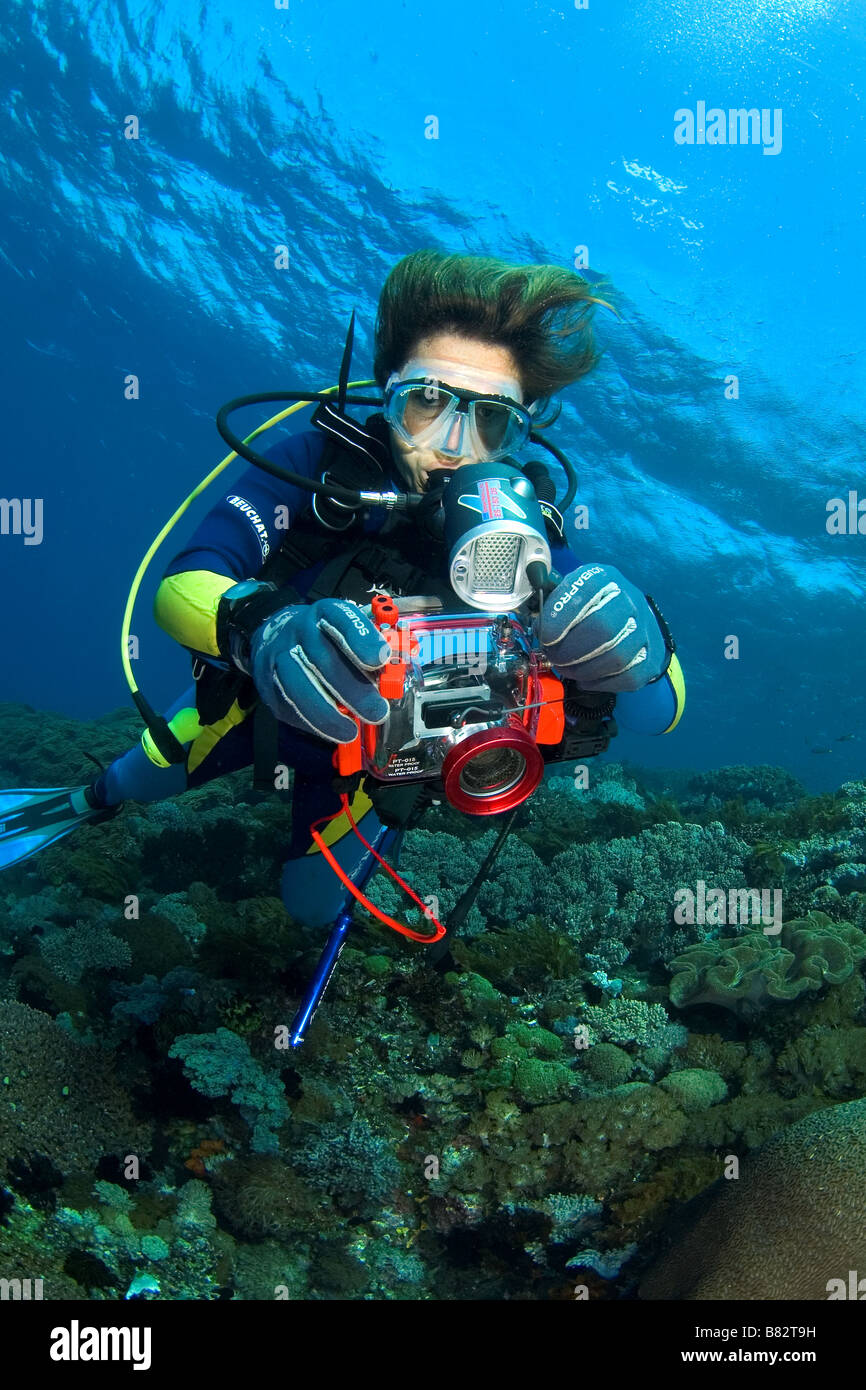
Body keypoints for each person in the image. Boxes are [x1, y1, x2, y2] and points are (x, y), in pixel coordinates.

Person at [0, 251, 685, 930]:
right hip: (251, 705)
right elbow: (185, 583)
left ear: (518, 430)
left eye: (490, 419)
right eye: (427, 402)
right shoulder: (315, 468)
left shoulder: (523, 535)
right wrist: (261, 629)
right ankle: (89, 798)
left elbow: (658, 712)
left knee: (311, 908)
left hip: (374, 766)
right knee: (136, 780)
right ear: (387, 393)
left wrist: (640, 647)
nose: (454, 444)